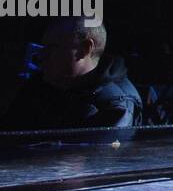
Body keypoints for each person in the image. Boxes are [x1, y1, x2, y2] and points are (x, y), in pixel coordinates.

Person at [1, 18, 142, 131]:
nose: (41, 55)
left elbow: (98, 161)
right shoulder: (41, 84)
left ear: (85, 49)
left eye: (52, 47)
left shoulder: (115, 105)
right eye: (44, 47)